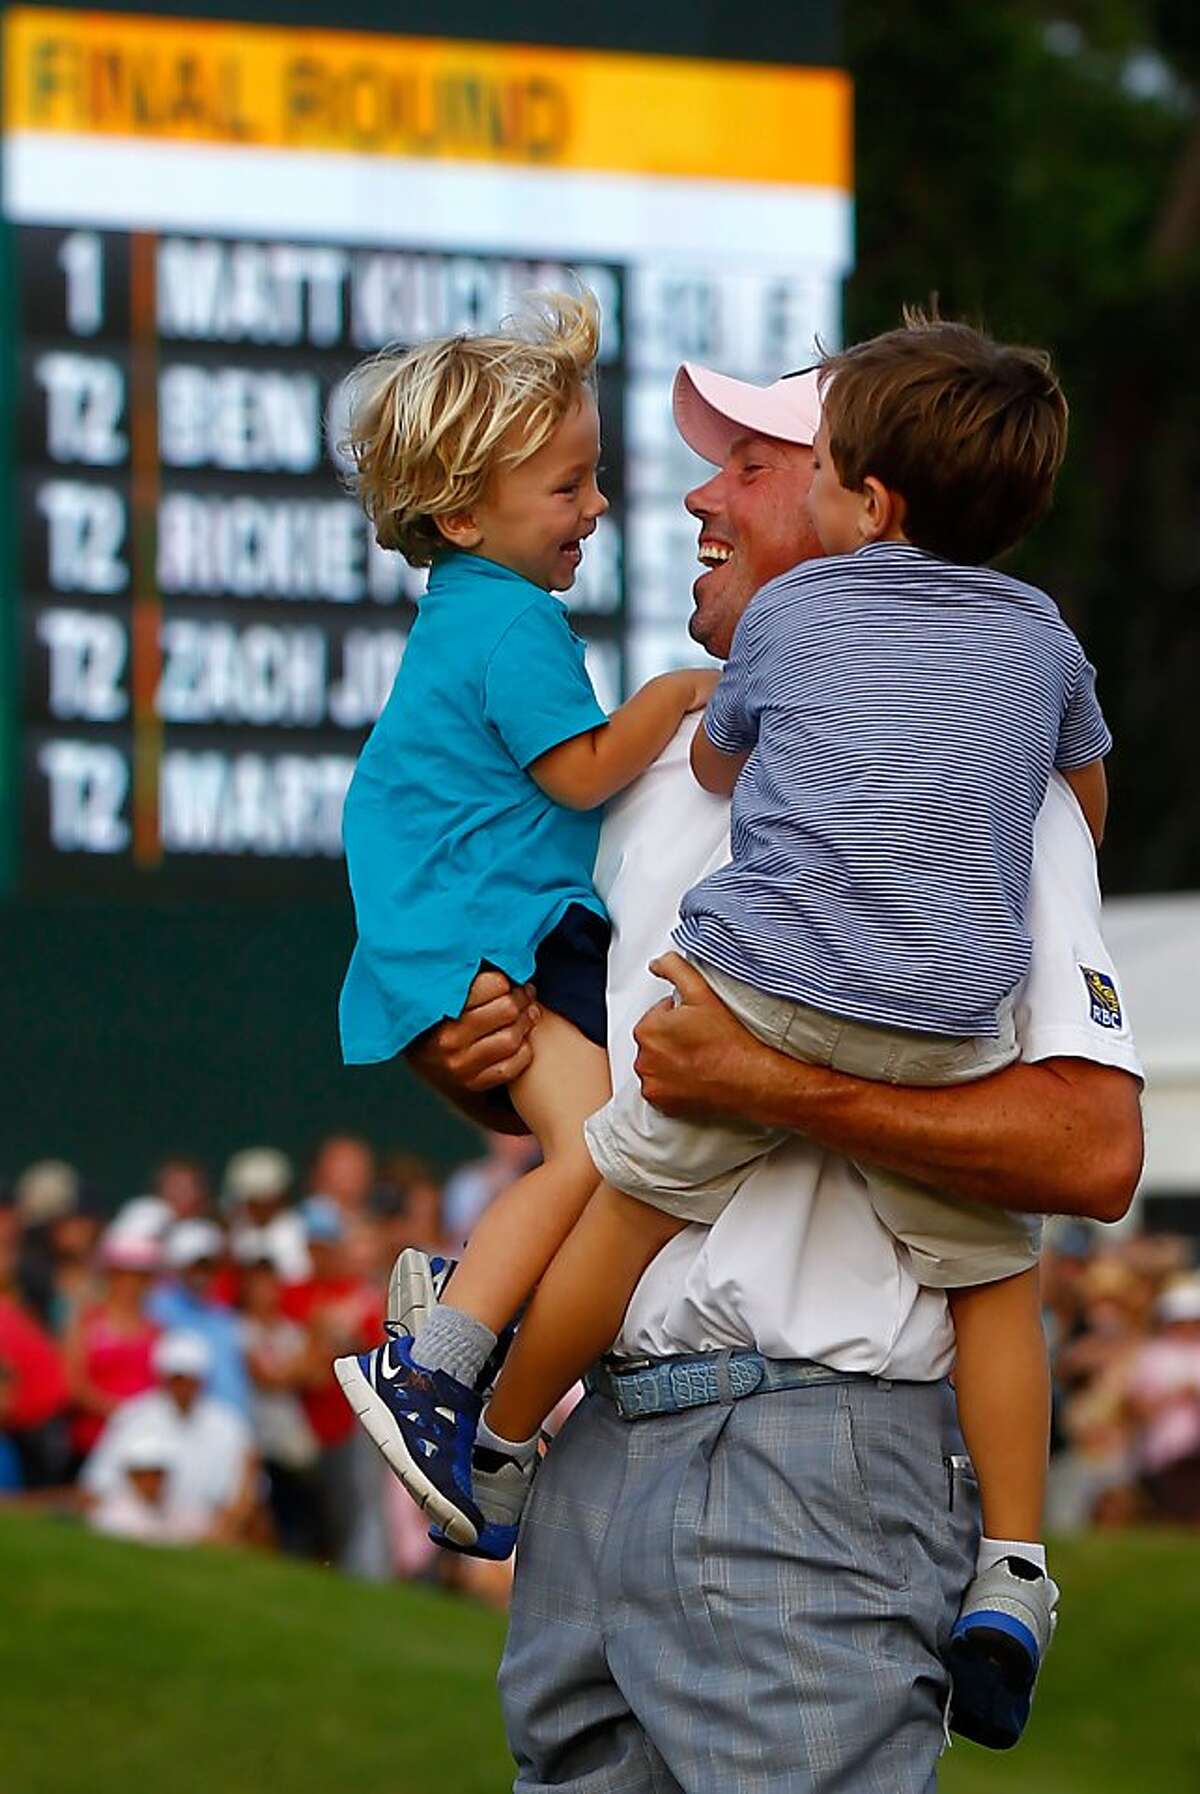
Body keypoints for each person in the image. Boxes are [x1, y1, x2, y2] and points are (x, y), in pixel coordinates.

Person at [400, 354, 1144, 1784]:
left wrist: (774, 1081)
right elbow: (601, 1093)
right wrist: (473, 1063)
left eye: (749, 462)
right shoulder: (649, 767)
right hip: (601, 1452)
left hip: (813, 1454)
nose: (697, 493)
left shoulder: (999, 779)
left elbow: (1093, 1150)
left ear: (856, 506)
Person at [332, 292, 716, 1536]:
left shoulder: (464, 611)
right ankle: (435, 1361)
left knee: (590, 1144)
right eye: (569, 486)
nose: (596, 507)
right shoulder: (516, 623)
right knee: (599, 1144)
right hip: (482, 932)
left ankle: (458, 1305)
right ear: (462, 513)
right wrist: (672, 697)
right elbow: (582, 772)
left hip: (457, 922)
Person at [80, 1331, 258, 1544]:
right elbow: (97, 1485)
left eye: (191, 1378)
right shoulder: (133, 1416)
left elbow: (243, 1498)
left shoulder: (229, 1425)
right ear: (164, 1377)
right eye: (178, 1378)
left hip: (205, 1527)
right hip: (136, 1523)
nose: (184, 1387)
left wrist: (222, 1530)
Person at [63, 1228, 161, 1464]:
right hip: (94, 1442)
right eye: (122, 1274)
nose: (130, 1283)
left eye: (139, 1275)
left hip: (145, 1445)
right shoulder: (86, 1322)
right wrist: (118, 1410)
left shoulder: (158, 1329)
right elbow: (74, 1383)